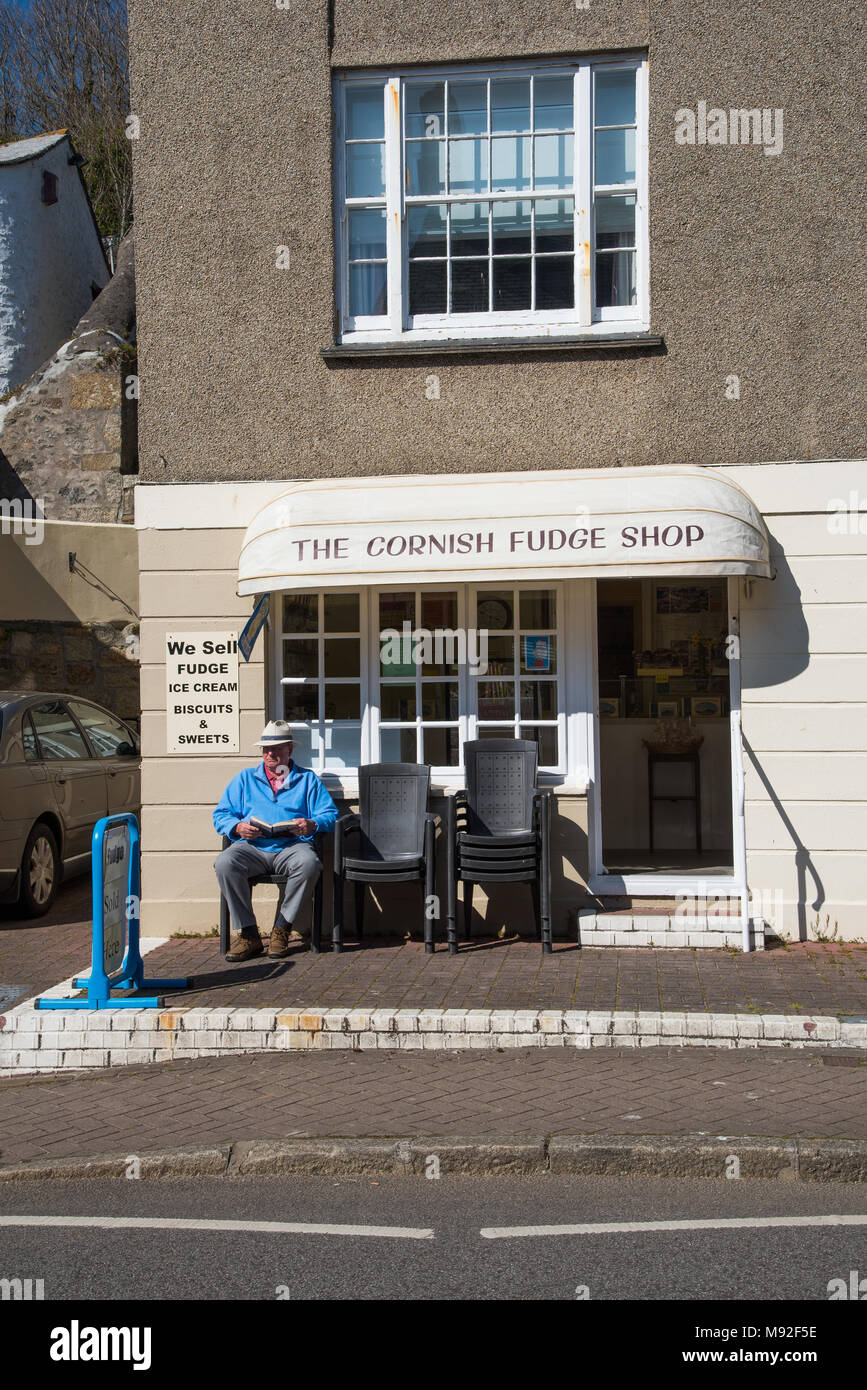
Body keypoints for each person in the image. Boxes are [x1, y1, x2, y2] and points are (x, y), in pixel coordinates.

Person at [213, 720, 338, 961]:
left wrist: (311, 824)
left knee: (309, 863)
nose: (272, 754)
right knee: (224, 863)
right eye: (267, 749)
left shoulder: (307, 779)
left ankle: (282, 928)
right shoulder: (244, 779)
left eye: (278, 749)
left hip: (292, 847)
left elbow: (329, 814)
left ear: (290, 750)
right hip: (251, 847)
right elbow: (221, 814)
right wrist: (237, 827)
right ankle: (249, 934)